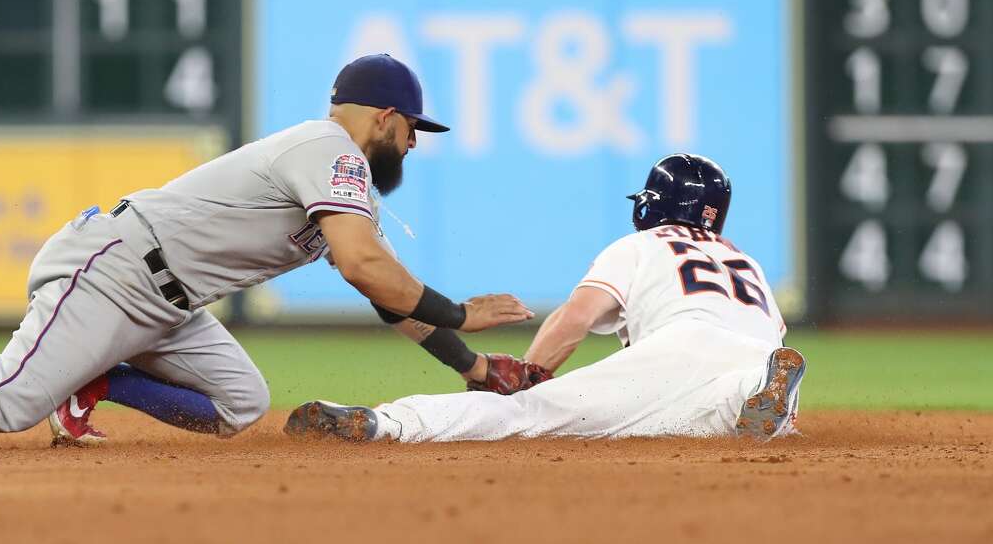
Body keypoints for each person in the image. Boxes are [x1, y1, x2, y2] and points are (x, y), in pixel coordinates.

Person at [0, 54, 537, 443]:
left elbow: (376, 291)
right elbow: (372, 269)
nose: (414, 142)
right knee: (2, 406)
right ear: (385, 115)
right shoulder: (331, 149)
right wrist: (460, 311)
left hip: (170, 303)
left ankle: (94, 384)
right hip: (115, 272)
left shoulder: (340, 179)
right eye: (412, 128)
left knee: (239, 406)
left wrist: (471, 368)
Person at [284, 154, 807, 443]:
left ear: (655, 205)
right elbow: (770, 331)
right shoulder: (748, 261)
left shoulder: (642, 244)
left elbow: (577, 318)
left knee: (527, 416)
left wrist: (531, 375)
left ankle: (387, 423)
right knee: (697, 420)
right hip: (754, 357)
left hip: (681, 345)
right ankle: (760, 394)